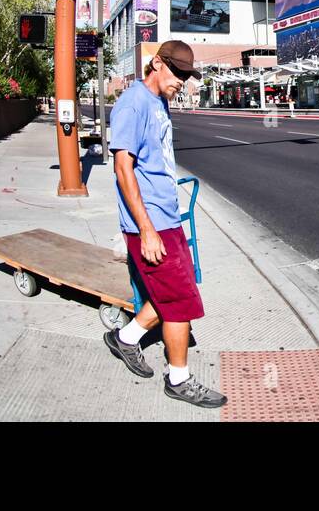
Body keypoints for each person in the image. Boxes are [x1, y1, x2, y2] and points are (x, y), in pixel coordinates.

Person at [104, 40, 227, 409]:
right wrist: (146, 230)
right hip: (151, 224)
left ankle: (125, 339)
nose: (182, 82)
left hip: (166, 220)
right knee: (181, 303)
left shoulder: (159, 102)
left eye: (187, 76)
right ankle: (179, 379)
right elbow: (123, 169)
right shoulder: (132, 103)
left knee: (167, 295)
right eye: (177, 73)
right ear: (156, 63)